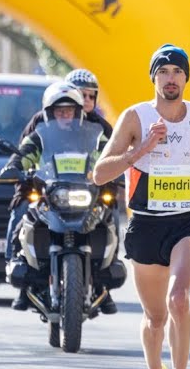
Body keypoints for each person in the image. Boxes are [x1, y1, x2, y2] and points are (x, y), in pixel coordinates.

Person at [92, 45, 190, 369]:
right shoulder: (136, 117)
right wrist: (141, 150)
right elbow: (100, 173)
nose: (171, 78)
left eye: (177, 72)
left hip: (187, 223)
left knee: (180, 298)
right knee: (155, 318)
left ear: (186, 78)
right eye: (163, 71)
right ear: (154, 77)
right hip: (146, 225)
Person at [7, 68, 123, 314]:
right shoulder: (39, 126)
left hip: (87, 189)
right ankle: (18, 268)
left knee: (110, 218)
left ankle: (105, 279)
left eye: (70, 109)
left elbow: (109, 154)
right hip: (47, 189)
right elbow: (25, 153)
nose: (65, 114)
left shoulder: (98, 129)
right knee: (21, 215)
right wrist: (15, 170)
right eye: (60, 110)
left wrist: (115, 172)